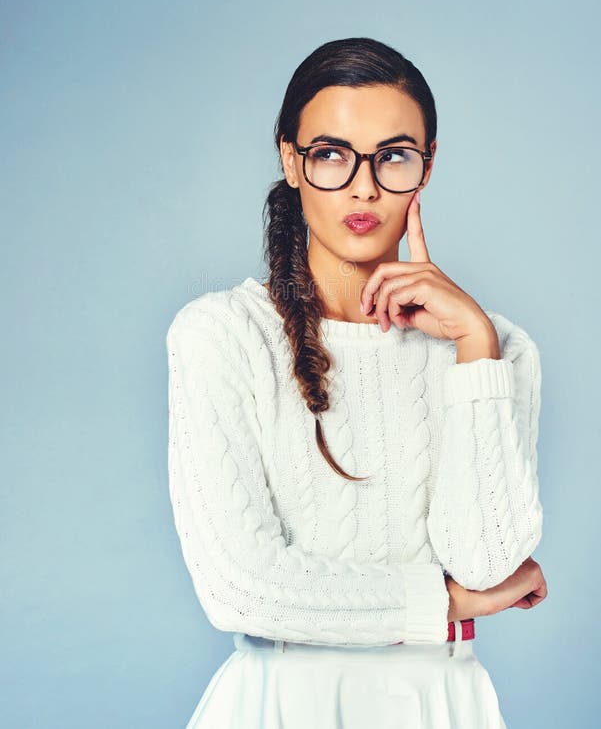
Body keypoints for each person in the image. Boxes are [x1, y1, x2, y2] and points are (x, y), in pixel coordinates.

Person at [166, 37, 547, 728]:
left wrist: (474, 348)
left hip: (443, 703)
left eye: (393, 156)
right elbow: (240, 588)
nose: (364, 187)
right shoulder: (222, 334)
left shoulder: (496, 349)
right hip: (279, 702)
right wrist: (448, 602)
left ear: (426, 168)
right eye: (331, 155)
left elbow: (488, 564)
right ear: (290, 160)